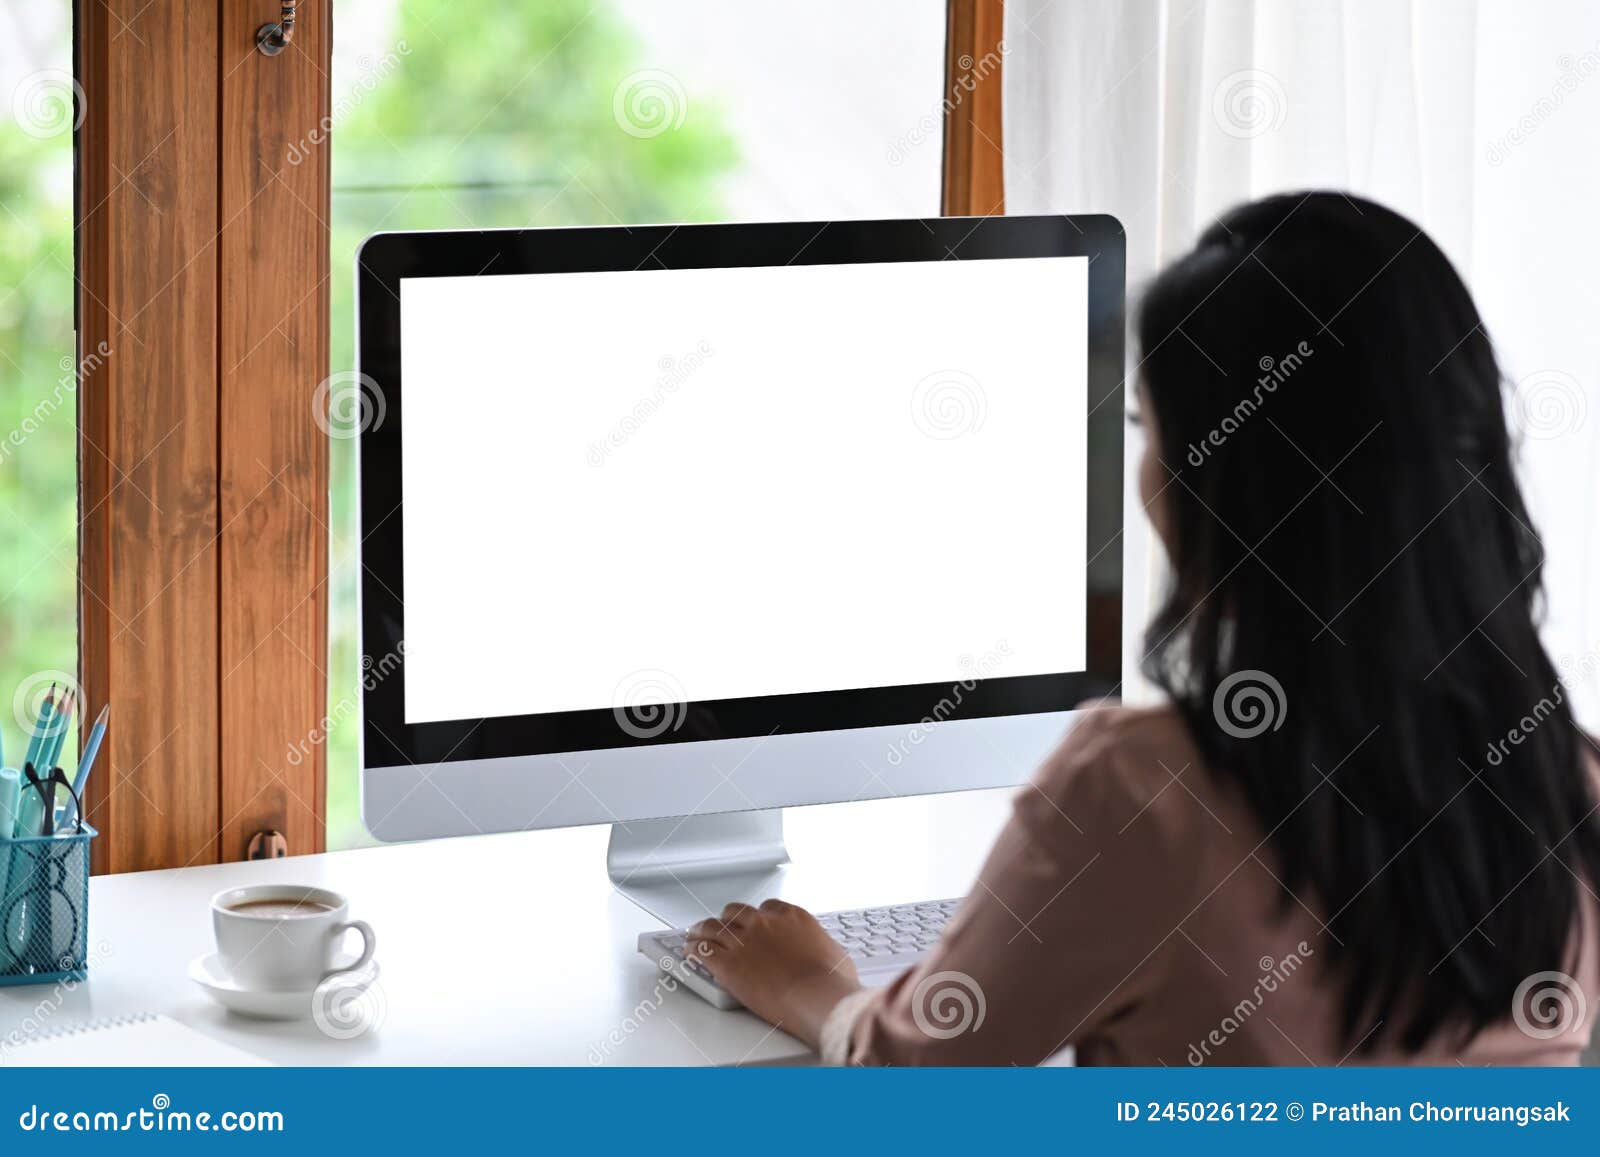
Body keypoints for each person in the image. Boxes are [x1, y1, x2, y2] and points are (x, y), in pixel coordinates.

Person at [685, 193, 1600, 1065]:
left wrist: (813, 983)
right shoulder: (1564, 780)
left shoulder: (1143, 790)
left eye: (1146, 428)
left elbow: (919, 1070)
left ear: (1222, 488)